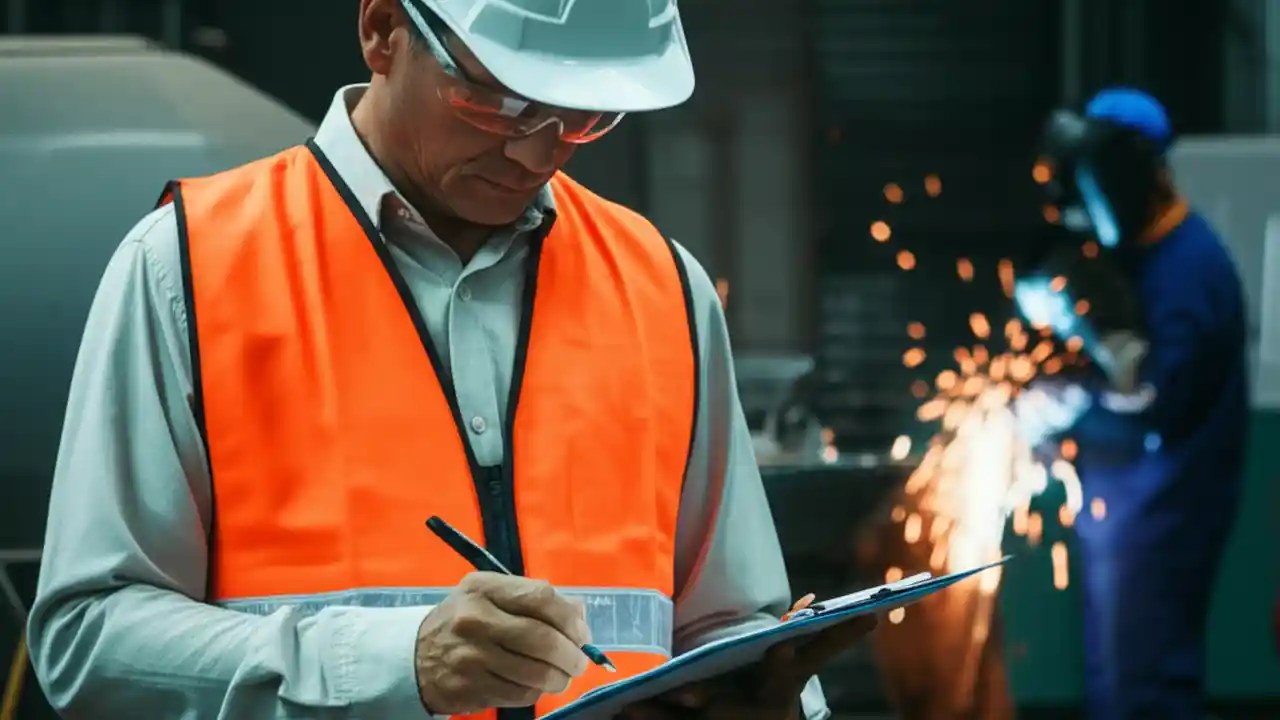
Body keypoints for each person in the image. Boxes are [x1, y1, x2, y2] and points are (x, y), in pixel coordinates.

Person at [25, 1, 873, 718]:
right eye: (497, 101)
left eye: (582, 117)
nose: (539, 153)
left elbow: (720, 626)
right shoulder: (187, 270)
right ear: (384, 30)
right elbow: (87, 644)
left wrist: (762, 694)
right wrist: (398, 663)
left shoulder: (664, 287)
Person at [1019, 87, 1249, 720]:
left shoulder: (1189, 269)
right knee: (1117, 681)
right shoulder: (1145, 253)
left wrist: (1069, 402)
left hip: (1164, 507)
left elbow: (1156, 400)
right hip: (1131, 504)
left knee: (1144, 690)